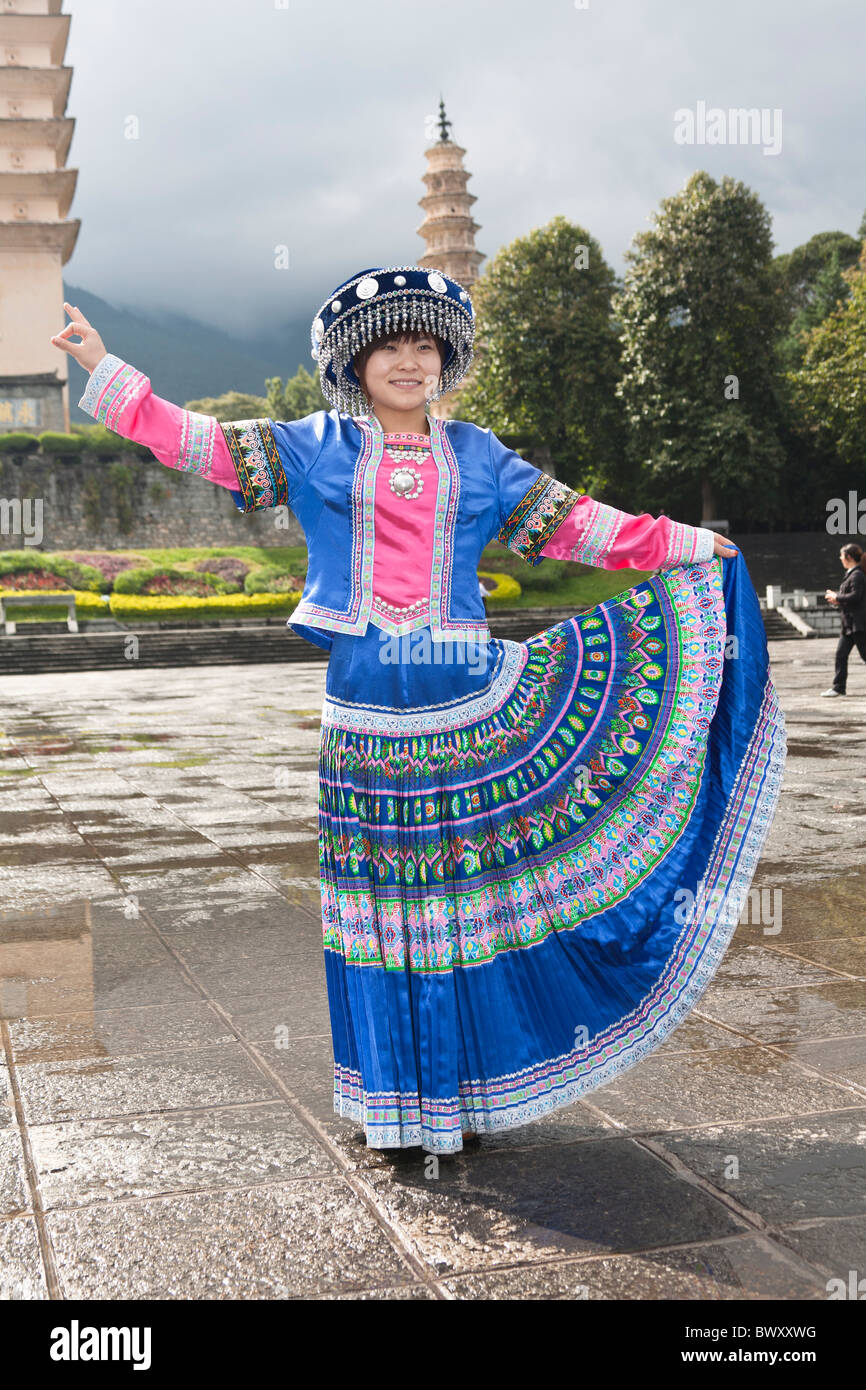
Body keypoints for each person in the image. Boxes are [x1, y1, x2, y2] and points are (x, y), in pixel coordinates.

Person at [51, 266, 787, 1156]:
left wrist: (688, 544)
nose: (409, 361)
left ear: (446, 361)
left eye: (426, 347)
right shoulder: (316, 445)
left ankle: (464, 1096)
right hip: (364, 714)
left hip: (470, 705)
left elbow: (582, 526)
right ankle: (398, 1107)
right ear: (357, 366)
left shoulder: (481, 456)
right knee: (383, 905)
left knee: (459, 903)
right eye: (390, 347)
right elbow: (199, 442)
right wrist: (107, 370)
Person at [821, 543, 866, 697]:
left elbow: (856, 597)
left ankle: (838, 687)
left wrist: (836, 596)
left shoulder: (857, 575)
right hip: (849, 625)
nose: (840, 558)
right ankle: (838, 687)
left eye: (842, 556)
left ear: (848, 557)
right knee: (841, 655)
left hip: (858, 624)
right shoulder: (851, 574)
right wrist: (837, 601)